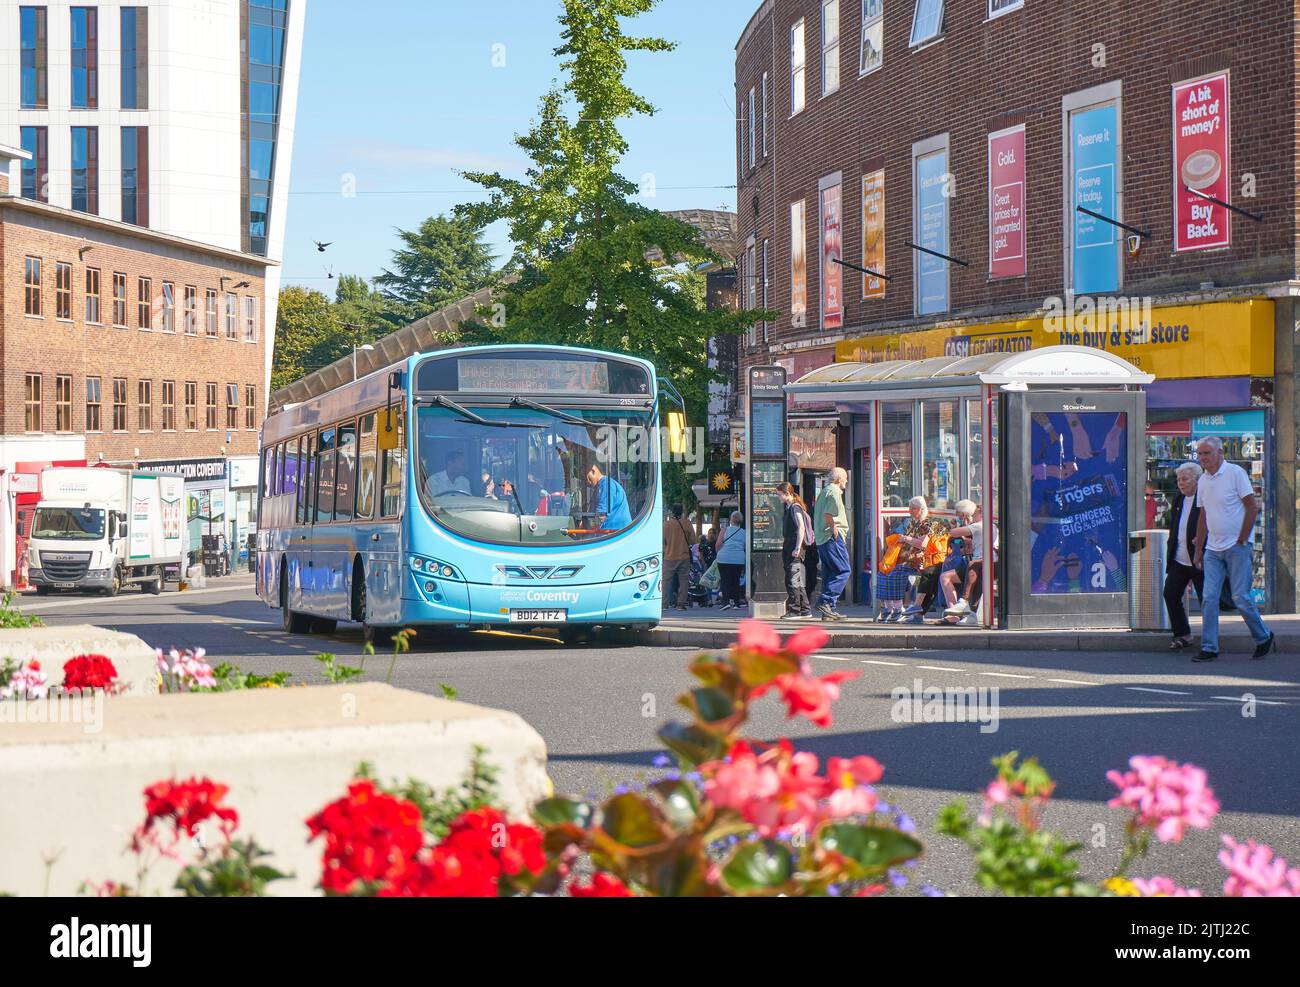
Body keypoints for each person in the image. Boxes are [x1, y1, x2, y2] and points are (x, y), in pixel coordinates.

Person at [1192, 437, 1274, 661]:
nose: (1203, 458)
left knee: (1241, 597)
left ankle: (1263, 636)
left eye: (1206, 453)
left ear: (1219, 452)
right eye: (1200, 454)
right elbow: (1203, 515)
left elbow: (1251, 507)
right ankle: (1209, 647)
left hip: (1236, 547)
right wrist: (1199, 549)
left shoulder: (1235, 473)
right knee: (1209, 598)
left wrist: (1242, 539)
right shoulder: (1203, 481)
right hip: (1213, 548)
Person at [876, 496, 949, 624]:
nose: (910, 511)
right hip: (908, 557)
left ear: (921, 509)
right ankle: (888, 607)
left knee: (895, 571)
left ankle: (898, 608)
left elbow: (923, 545)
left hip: (921, 558)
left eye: (913, 509)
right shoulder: (912, 523)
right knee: (883, 572)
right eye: (909, 508)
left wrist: (906, 539)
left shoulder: (929, 523)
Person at [1162, 462, 1205, 650]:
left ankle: (1211, 639)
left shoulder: (1204, 498)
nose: (1180, 483)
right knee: (1170, 594)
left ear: (1197, 480)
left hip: (1199, 558)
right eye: (1179, 479)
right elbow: (1175, 527)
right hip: (1180, 558)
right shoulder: (1179, 499)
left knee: (1207, 599)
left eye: (1185, 479)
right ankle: (1182, 634)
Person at [939, 500, 996, 625]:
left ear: (981, 514)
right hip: (982, 562)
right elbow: (970, 547)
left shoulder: (980, 525)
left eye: (973, 513)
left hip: (984, 562)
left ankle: (963, 603)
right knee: (946, 577)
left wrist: (956, 526)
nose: (972, 516)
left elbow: (953, 533)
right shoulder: (986, 526)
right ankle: (961, 614)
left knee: (972, 567)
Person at [812, 467, 851, 621]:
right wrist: (835, 531)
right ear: (838, 479)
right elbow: (829, 514)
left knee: (829, 572)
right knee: (843, 570)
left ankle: (829, 611)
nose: (846, 481)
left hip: (822, 538)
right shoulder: (834, 492)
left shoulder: (824, 491)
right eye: (845, 478)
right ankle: (826, 601)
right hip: (831, 537)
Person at [777, 482, 814, 619]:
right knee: (796, 578)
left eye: (779, 494)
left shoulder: (794, 508)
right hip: (792, 545)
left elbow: (801, 527)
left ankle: (795, 610)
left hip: (794, 546)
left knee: (792, 578)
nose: (778, 497)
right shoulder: (791, 507)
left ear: (788, 494)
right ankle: (805, 609)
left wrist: (798, 547)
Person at [662, 504, 694, 611]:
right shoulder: (687, 523)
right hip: (684, 556)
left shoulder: (666, 525)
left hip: (669, 556)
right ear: (682, 511)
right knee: (684, 580)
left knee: (666, 581)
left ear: (672, 512)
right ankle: (681, 604)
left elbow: (662, 541)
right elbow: (693, 541)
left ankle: (664, 604)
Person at [714, 511, 747, 610]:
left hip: (724, 558)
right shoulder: (744, 532)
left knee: (725, 580)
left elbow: (718, 544)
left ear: (732, 519)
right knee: (736, 581)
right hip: (738, 559)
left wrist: (718, 553)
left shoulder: (724, 530)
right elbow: (745, 546)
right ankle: (736, 603)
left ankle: (726, 602)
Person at [586, 464, 631, 531]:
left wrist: (586, 526)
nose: (586, 482)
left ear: (593, 471)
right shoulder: (601, 486)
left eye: (587, 478)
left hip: (616, 533)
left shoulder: (606, 486)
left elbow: (601, 516)